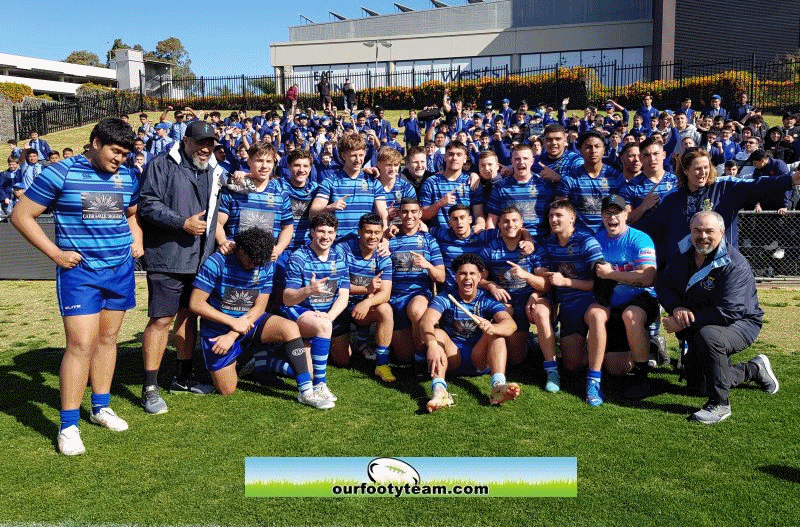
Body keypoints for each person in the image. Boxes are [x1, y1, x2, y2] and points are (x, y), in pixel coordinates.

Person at [10, 118, 142, 455]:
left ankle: (101, 407)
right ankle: (68, 425)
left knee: (108, 339)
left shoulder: (127, 175)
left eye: (126, 153)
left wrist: (136, 239)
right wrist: (55, 253)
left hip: (120, 270)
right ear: (96, 142)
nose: (120, 159)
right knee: (81, 344)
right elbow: (22, 215)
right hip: (81, 274)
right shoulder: (60, 172)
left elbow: (131, 212)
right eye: (115, 151)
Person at [657, 211, 779, 424]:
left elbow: (729, 311)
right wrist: (676, 308)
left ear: (722, 232)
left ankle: (720, 404)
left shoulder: (734, 263)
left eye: (709, 231)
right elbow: (665, 285)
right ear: (691, 231)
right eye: (697, 230)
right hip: (701, 321)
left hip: (740, 322)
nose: (702, 235)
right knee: (698, 385)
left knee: (710, 336)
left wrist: (684, 320)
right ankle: (754, 369)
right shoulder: (682, 253)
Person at [188, 227, 331, 408]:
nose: (255, 266)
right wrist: (233, 323)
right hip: (219, 329)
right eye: (251, 261)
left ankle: (306, 392)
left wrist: (234, 333)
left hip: (248, 322)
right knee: (227, 389)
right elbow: (196, 304)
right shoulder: (217, 262)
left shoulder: (265, 262)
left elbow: (260, 305)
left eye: (259, 262)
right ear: (240, 250)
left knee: (289, 328)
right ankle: (251, 360)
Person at [138, 120, 226, 414]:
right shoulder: (161, 164)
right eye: (200, 142)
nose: (205, 148)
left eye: (210, 143)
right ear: (185, 140)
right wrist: (181, 222)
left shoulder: (214, 169)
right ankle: (150, 387)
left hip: (201, 259)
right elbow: (147, 204)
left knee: (189, 317)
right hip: (168, 257)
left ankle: (183, 376)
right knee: (161, 320)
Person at [420, 253, 519, 412]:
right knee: (437, 334)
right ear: (456, 276)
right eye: (462, 273)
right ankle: (439, 391)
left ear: (479, 277)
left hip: (479, 358)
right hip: (452, 357)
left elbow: (510, 324)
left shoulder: (486, 298)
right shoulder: (446, 296)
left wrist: (493, 328)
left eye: (472, 274)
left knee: (497, 334)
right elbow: (427, 321)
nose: (467, 278)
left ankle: (498, 387)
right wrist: (431, 345)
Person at [531, 200, 606, 405]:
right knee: (571, 365)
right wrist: (536, 289)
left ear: (572, 218)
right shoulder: (549, 243)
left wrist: (566, 281)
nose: (554, 219)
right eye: (551, 216)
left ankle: (594, 381)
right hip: (568, 307)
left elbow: (599, 284)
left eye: (559, 215)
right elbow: (541, 272)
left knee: (597, 317)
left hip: (590, 302)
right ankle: (600, 354)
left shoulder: (586, 241)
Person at [593, 195, 659, 399]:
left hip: (641, 298)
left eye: (617, 212)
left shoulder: (639, 238)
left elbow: (648, 277)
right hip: (613, 303)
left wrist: (612, 274)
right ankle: (651, 346)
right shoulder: (597, 240)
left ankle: (642, 376)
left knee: (631, 316)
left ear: (626, 214)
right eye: (607, 213)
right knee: (616, 369)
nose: (612, 217)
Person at [282, 212, 350, 406]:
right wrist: (308, 290)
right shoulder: (299, 257)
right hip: (299, 312)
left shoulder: (340, 256)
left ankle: (266, 362)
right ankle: (321, 385)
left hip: (324, 317)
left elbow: (343, 296)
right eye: (321, 231)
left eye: (330, 232)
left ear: (335, 234)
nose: (325, 236)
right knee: (322, 327)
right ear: (312, 232)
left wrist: (329, 316)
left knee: (312, 369)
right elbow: (287, 299)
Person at [332, 213, 395, 381]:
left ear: (382, 233)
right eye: (368, 232)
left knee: (385, 309)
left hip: (362, 308)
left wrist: (367, 303)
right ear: (359, 231)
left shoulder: (383, 256)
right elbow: (339, 285)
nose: (372, 236)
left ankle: (382, 365)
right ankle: (357, 341)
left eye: (376, 232)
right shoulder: (343, 249)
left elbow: (385, 293)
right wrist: (365, 290)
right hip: (339, 305)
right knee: (342, 361)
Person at [388, 198, 446, 367]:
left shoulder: (429, 240)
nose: (409, 216)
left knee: (416, 310)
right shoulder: (390, 238)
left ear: (420, 214)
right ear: (399, 214)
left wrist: (427, 265)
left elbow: (441, 277)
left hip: (418, 293)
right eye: (405, 211)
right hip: (395, 297)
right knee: (404, 358)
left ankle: (423, 358)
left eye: (414, 212)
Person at [310, 134, 387, 243]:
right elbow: (312, 213)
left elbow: (383, 214)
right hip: (338, 244)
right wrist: (330, 207)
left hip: (365, 244)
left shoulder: (373, 182)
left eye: (361, 155)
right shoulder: (330, 182)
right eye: (353, 155)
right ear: (343, 155)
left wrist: (383, 240)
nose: (358, 160)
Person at [419, 141, 485, 229]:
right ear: (445, 157)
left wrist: (479, 226)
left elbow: (479, 214)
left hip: (464, 238)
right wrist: (439, 204)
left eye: (459, 155)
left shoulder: (472, 182)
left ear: (465, 158)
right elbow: (422, 215)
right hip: (438, 237)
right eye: (450, 154)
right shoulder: (430, 182)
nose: (454, 158)